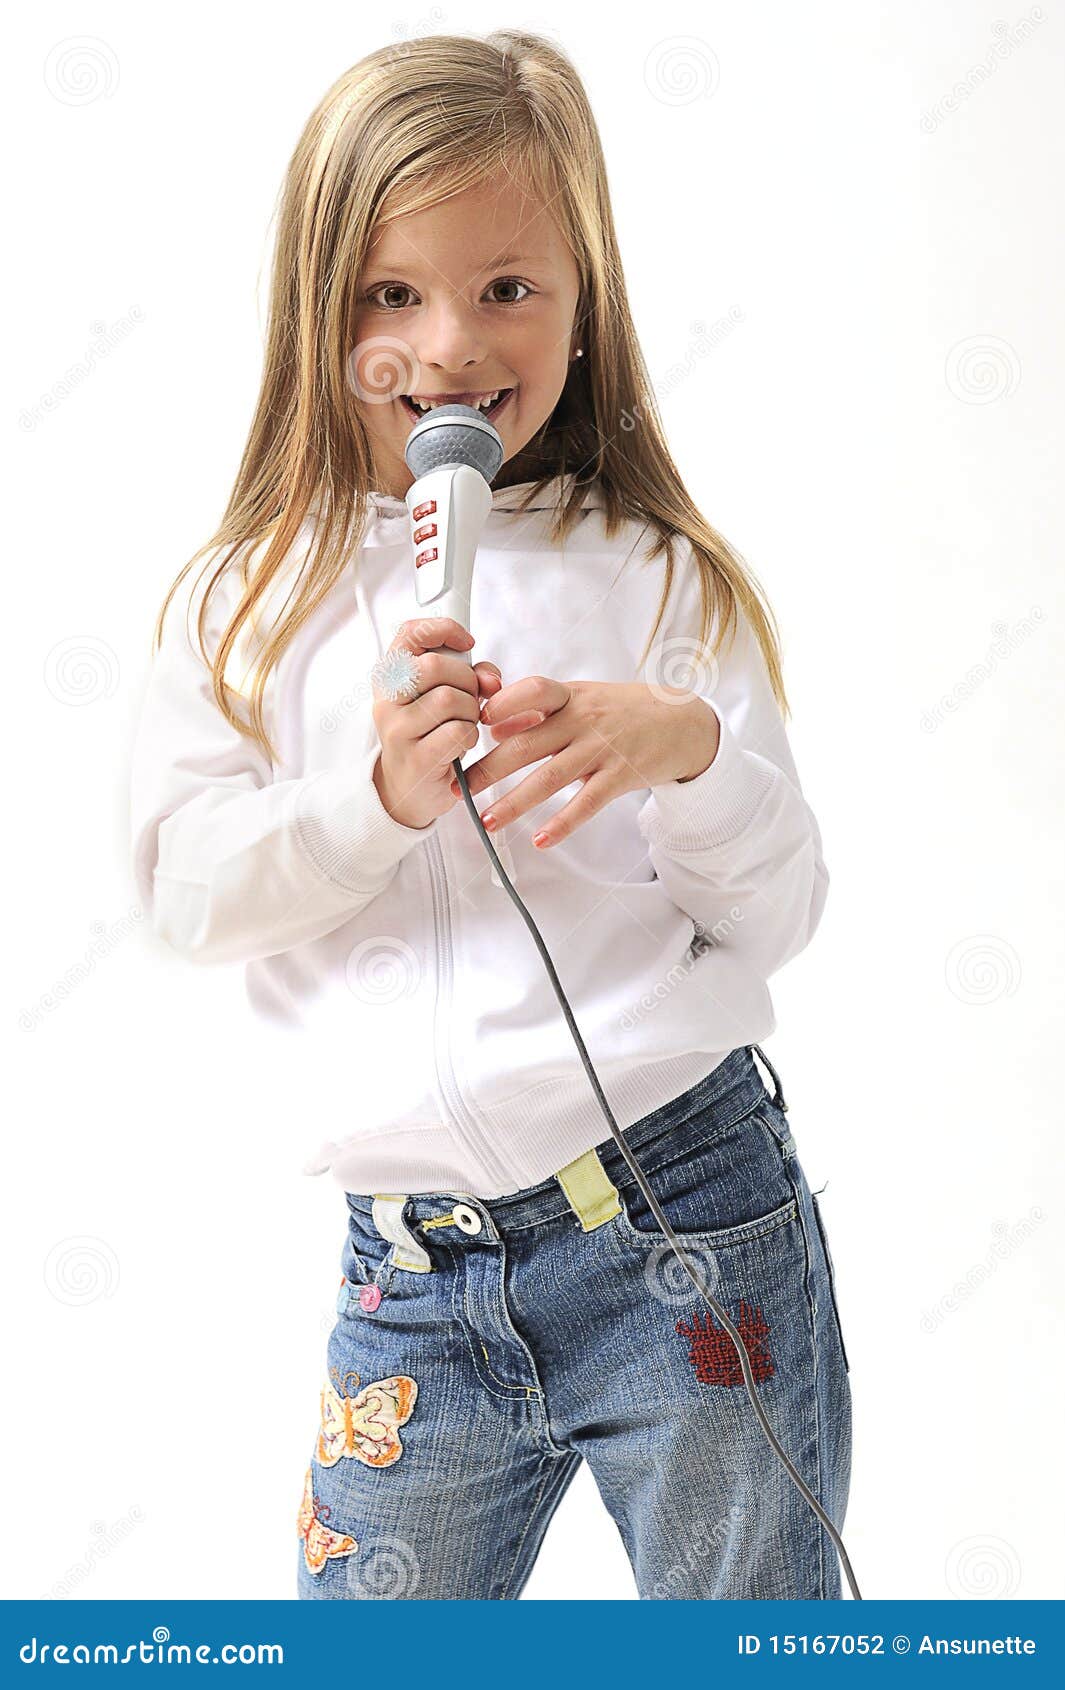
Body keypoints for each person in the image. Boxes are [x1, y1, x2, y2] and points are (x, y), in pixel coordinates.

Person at [129, 28, 852, 1600]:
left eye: (507, 288)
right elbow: (182, 891)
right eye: (391, 293)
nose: (449, 346)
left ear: (585, 307)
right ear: (313, 311)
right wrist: (368, 801)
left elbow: (777, 912)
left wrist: (688, 755)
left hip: (682, 1214)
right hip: (409, 1282)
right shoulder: (247, 602)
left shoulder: (655, 577)